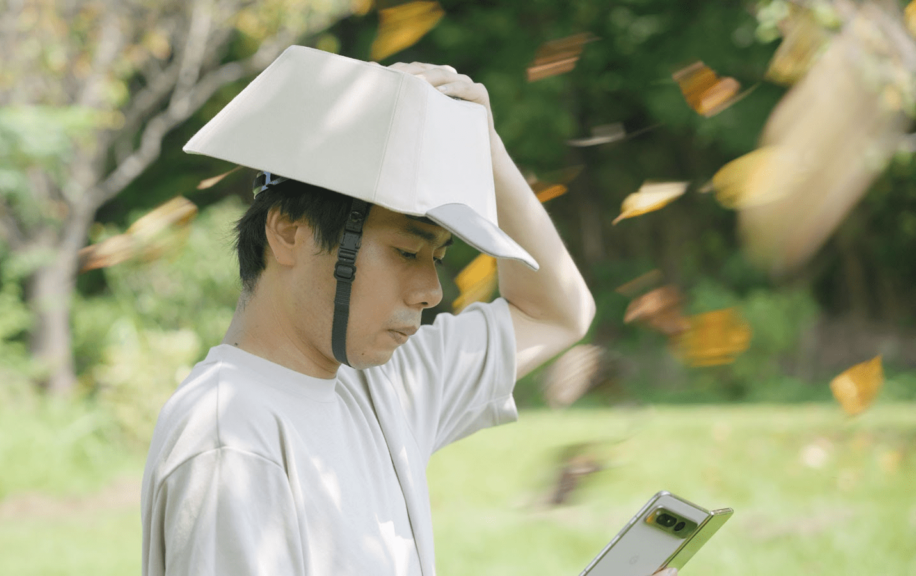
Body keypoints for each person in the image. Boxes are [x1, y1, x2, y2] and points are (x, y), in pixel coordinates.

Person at [140, 47, 662, 576]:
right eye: (406, 252)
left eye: (437, 257)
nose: (432, 291)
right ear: (289, 231)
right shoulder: (230, 437)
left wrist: (486, 149)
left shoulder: (384, 384)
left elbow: (558, 313)